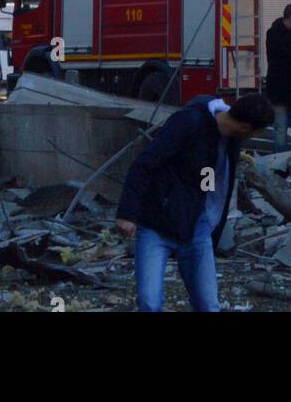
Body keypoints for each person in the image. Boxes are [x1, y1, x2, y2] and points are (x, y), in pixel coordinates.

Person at [115, 93, 274, 312]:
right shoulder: (189, 123)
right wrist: (127, 213)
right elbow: (145, 163)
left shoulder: (230, 142)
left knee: (208, 305)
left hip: (197, 228)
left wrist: (212, 226)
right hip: (157, 224)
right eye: (258, 132)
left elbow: (212, 182)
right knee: (150, 303)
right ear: (247, 127)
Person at [264, 4, 291, 152]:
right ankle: (280, 158)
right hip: (280, 86)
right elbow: (282, 53)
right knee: (281, 126)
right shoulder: (273, 33)